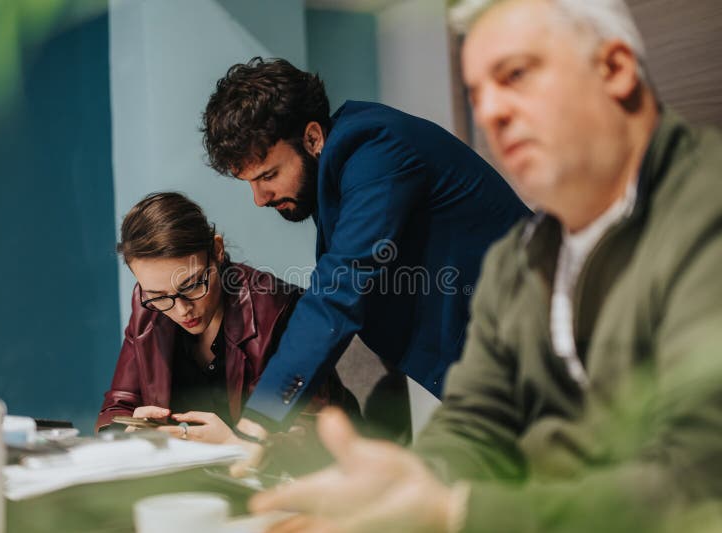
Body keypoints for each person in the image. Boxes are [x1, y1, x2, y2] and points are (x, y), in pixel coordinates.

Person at [248, 0, 722, 531]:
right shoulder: (526, 257)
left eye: (515, 75)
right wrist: (414, 480)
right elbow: (476, 421)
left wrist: (458, 511)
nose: (491, 112)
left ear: (613, 69)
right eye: (478, 93)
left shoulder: (702, 216)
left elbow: (693, 477)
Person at [201, 57, 530, 447]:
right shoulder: (342, 171)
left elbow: (339, 286)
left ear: (312, 138)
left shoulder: (374, 148)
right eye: (250, 184)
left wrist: (258, 422)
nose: (259, 199)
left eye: (269, 176)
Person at [96, 192, 357, 472]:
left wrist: (238, 443)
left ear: (217, 250)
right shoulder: (148, 308)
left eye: (193, 285)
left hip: (315, 478)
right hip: (203, 485)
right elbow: (118, 405)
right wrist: (127, 435)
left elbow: (310, 433)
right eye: (158, 295)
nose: (181, 309)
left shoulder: (278, 308)